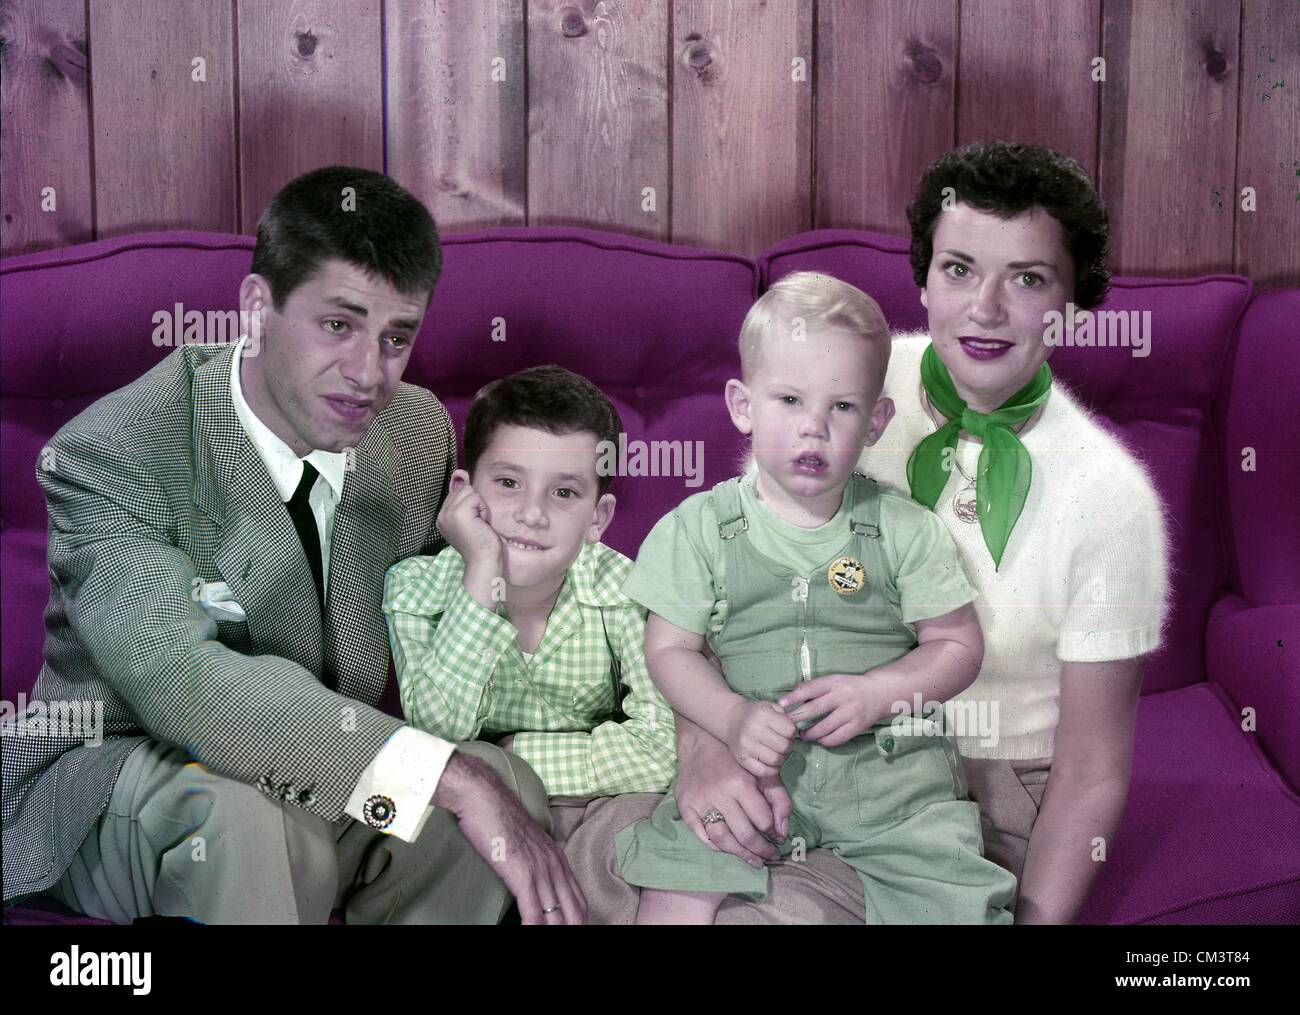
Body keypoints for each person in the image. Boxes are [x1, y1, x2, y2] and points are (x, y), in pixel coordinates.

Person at [1, 166, 584, 925]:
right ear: (256, 309)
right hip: (122, 781)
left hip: (308, 781)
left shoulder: (413, 433)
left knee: (501, 786)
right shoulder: (115, 453)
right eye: (338, 325)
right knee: (253, 818)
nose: (368, 374)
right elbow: (186, 682)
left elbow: (458, 653)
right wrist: (445, 773)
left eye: (396, 337)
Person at [663, 142, 1168, 924]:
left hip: (989, 785)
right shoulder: (845, 377)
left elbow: (1093, 770)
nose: (986, 308)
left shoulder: (1112, 497)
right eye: (959, 269)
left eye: (1027, 279)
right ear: (925, 280)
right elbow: (722, 600)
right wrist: (703, 749)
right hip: (805, 751)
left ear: (1071, 303)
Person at [612, 273, 1017, 923]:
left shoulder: (904, 528)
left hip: (896, 792)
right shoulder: (696, 529)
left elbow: (957, 643)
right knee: (682, 870)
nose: (815, 428)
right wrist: (731, 718)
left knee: (953, 894)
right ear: (744, 405)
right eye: (791, 400)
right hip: (757, 778)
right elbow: (670, 650)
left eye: (843, 407)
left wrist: (878, 691)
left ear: (877, 421)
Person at [385, 365, 676, 797]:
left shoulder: (625, 591)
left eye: (563, 493)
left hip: (601, 798)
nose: (532, 514)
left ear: (598, 518)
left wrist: (513, 756)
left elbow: (663, 747)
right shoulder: (414, 591)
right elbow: (436, 731)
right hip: (466, 808)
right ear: (462, 492)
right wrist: (482, 567)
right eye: (508, 483)